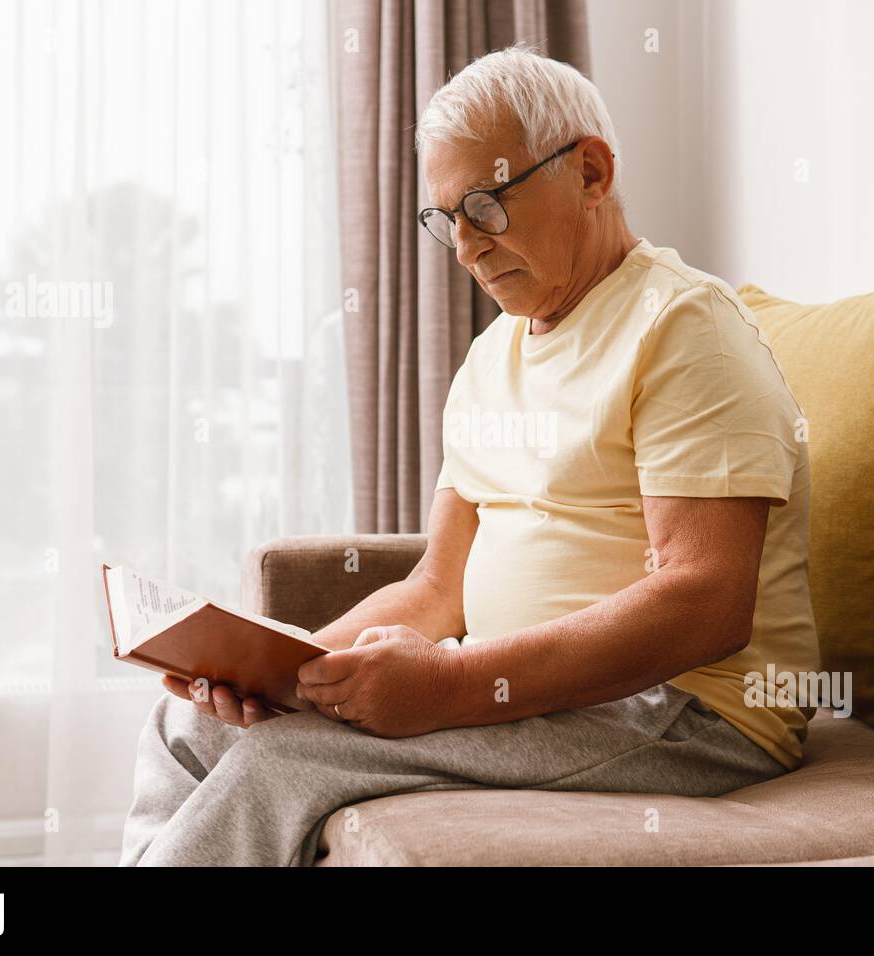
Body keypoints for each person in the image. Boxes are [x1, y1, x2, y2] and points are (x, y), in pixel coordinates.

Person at [119, 44, 818, 867]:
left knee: (280, 767)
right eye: (445, 217)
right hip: (529, 697)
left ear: (590, 173)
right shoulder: (493, 357)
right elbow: (437, 587)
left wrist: (453, 685)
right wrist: (284, 670)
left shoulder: (683, 328)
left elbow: (706, 601)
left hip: (688, 715)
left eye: (484, 205)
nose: (463, 248)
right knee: (187, 722)